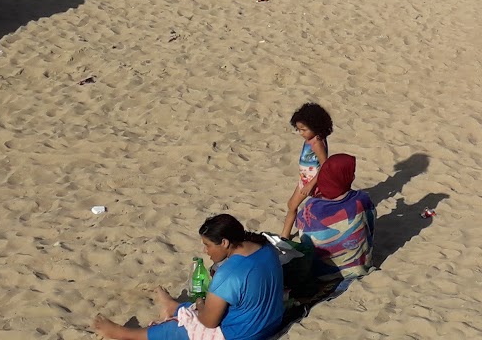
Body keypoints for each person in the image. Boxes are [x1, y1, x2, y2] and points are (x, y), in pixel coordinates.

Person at [91, 213, 284, 340]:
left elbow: (209, 321)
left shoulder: (228, 273)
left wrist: (201, 303)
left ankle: (123, 333)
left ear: (224, 242)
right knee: (194, 308)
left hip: (245, 334)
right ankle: (173, 306)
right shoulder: (265, 247)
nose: (205, 250)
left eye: (208, 245)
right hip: (272, 321)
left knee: (176, 328)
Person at [296, 154, 376, 285]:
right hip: (358, 269)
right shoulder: (362, 200)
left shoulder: (310, 207)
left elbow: (303, 234)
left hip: (320, 273)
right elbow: (371, 224)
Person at [282, 102, 333, 238]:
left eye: (304, 130)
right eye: (299, 129)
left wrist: (311, 184)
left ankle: (288, 235)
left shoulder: (317, 143)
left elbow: (325, 165)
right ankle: (284, 235)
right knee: (291, 205)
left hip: (314, 183)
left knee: (312, 209)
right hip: (305, 180)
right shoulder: (310, 140)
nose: (301, 133)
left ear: (315, 126)